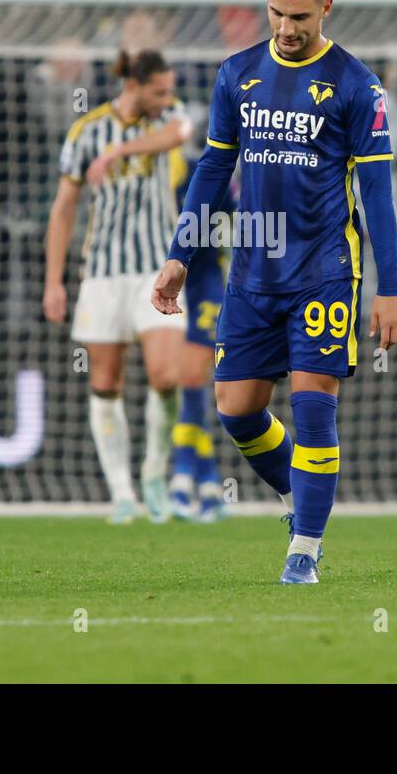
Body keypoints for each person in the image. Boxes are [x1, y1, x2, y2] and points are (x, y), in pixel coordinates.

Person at [152, 0, 397, 584]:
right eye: (275, 14)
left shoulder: (356, 84)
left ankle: (306, 550)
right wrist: (181, 254)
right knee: (236, 409)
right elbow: (212, 170)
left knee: (313, 400)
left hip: (324, 267)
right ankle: (298, 499)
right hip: (252, 268)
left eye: (297, 16)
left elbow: (377, 191)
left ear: (325, 7)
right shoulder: (237, 73)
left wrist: (390, 288)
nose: (286, 28)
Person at [44, 50, 192, 524]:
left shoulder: (168, 118)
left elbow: (180, 134)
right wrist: (54, 282)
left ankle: (153, 474)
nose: (167, 97)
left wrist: (121, 151)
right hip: (103, 273)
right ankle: (121, 492)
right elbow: (64, 208)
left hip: (157, 270)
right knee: (106, 382)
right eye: (159, 90)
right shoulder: (86, 131)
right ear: (134, 86)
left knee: (166, 375)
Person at [167, 151, 236, 522]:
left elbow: (228, 212)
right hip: (163, 283)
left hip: (205, 283)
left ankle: (181, 477)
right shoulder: (140, 175)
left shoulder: (197, 170)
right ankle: (207, 481)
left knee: (193, 377)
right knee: (180, 381)